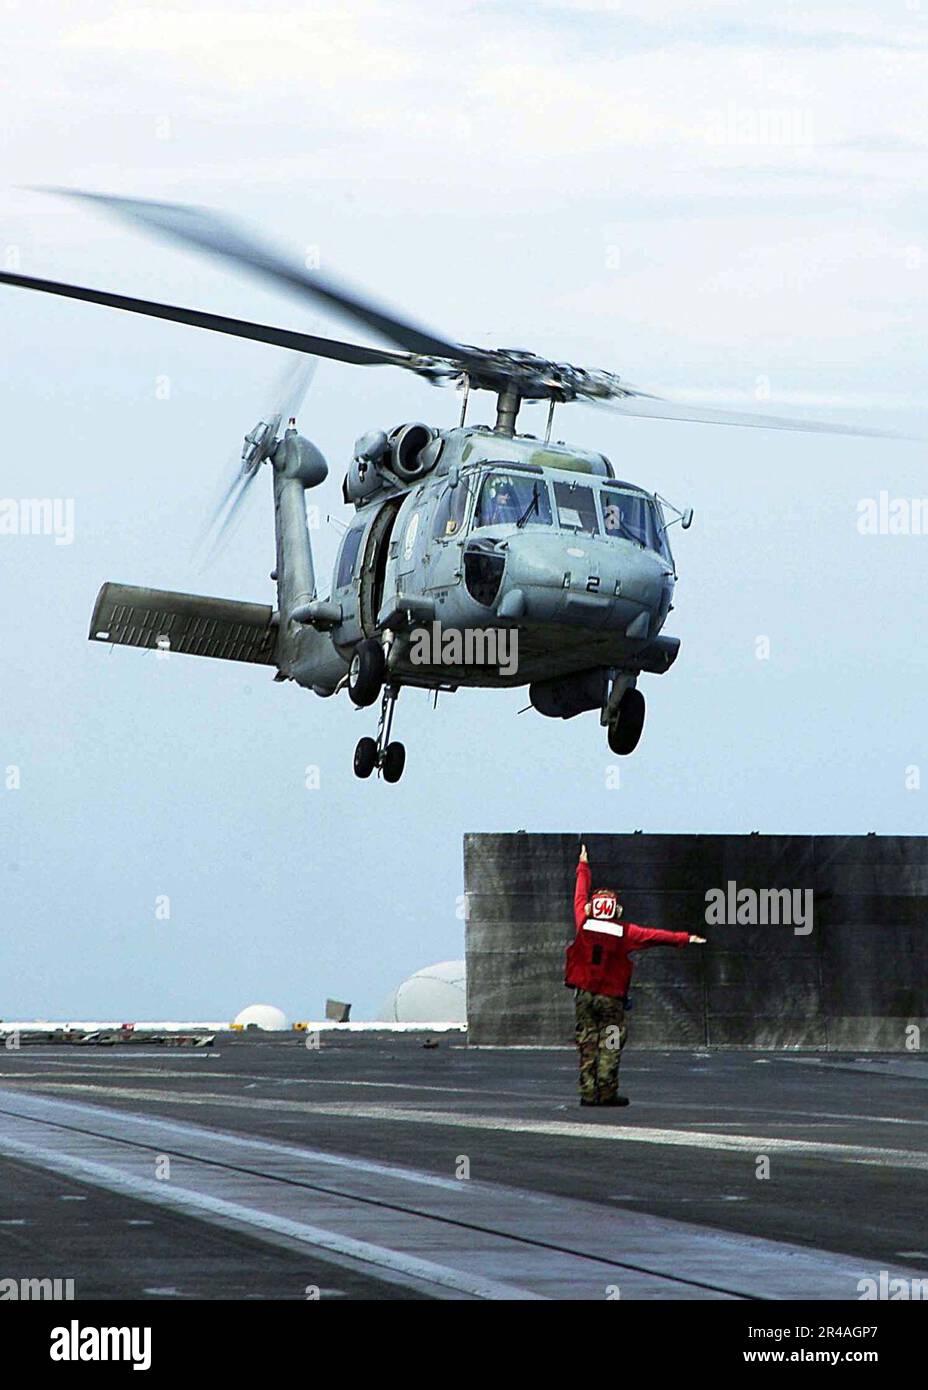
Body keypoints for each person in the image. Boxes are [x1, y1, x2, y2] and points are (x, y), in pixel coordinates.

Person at [566, 842, 706, 1108]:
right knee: (612, 1040)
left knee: (587, 1041)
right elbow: (655, 936)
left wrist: (583, 865)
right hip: (611, 999)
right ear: (616, 910)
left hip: (584, 995)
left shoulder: (583, 924)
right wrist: (686, 938)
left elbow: (579, 895)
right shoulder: (625, 932)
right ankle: (607, 1091)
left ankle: (587, 1092)